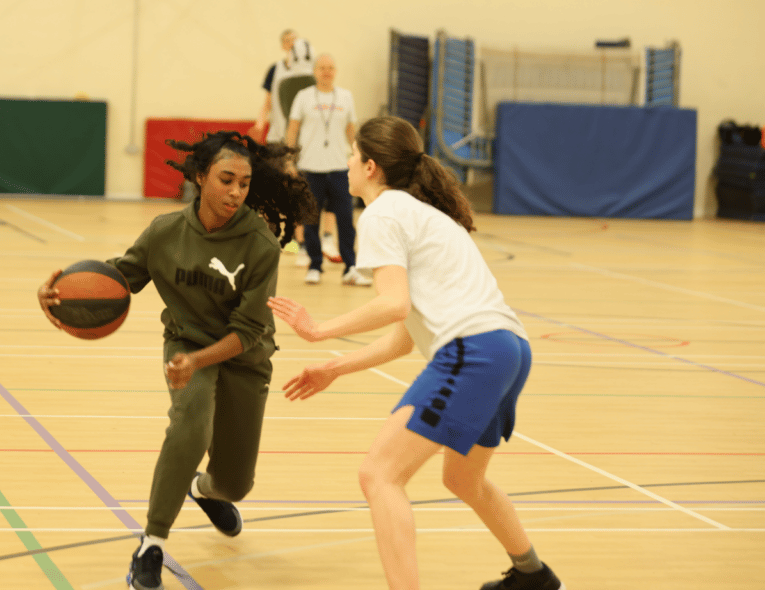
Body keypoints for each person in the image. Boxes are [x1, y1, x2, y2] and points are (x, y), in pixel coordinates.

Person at [268, 115, 565, 590]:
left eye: (352, 155)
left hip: (476, 352)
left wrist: (319, 330)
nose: (345, 163)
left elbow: (392, 305)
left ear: (370, 166)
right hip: (509, 349)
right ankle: (534, 575)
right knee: (463, 481)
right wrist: (337, 367)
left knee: (378, 475)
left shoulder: (384, 213)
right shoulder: (424, 213)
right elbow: (408, 335)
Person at [38, 132, 316, 590]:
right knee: (190, 423)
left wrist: (202, 358)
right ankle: (152, 544)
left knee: (234, 485)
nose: (236, 192)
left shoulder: (260, 244)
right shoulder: (165, 233)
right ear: (200, 177)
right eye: (226, 180)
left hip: (244, 357)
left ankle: (201, 488)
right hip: (186, 346)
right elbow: (116, 279)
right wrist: (56, 297)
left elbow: (247, 332)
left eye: (244, 184)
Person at [285, 53, 371, 286]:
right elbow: (292, 129)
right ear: (315, 71)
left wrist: (359, 157)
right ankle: (314, 265)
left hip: (338, 169)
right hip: (309, 168)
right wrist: (289, 159)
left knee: (345, 219)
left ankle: (350, 267)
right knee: (311, 219)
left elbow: (351, 131)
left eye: (331, 67)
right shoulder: (303, 97)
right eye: (322, 67)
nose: (326, 71)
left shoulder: (345, 97)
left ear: (335, 71)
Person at [249, 28, 314, 144]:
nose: (291, 43)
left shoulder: (310, 72)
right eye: (287, 41)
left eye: (294, 40)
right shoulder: (275, 69)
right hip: (278, 136)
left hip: (302, 139)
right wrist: (259, 126)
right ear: (282, 46)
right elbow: (267, 104)